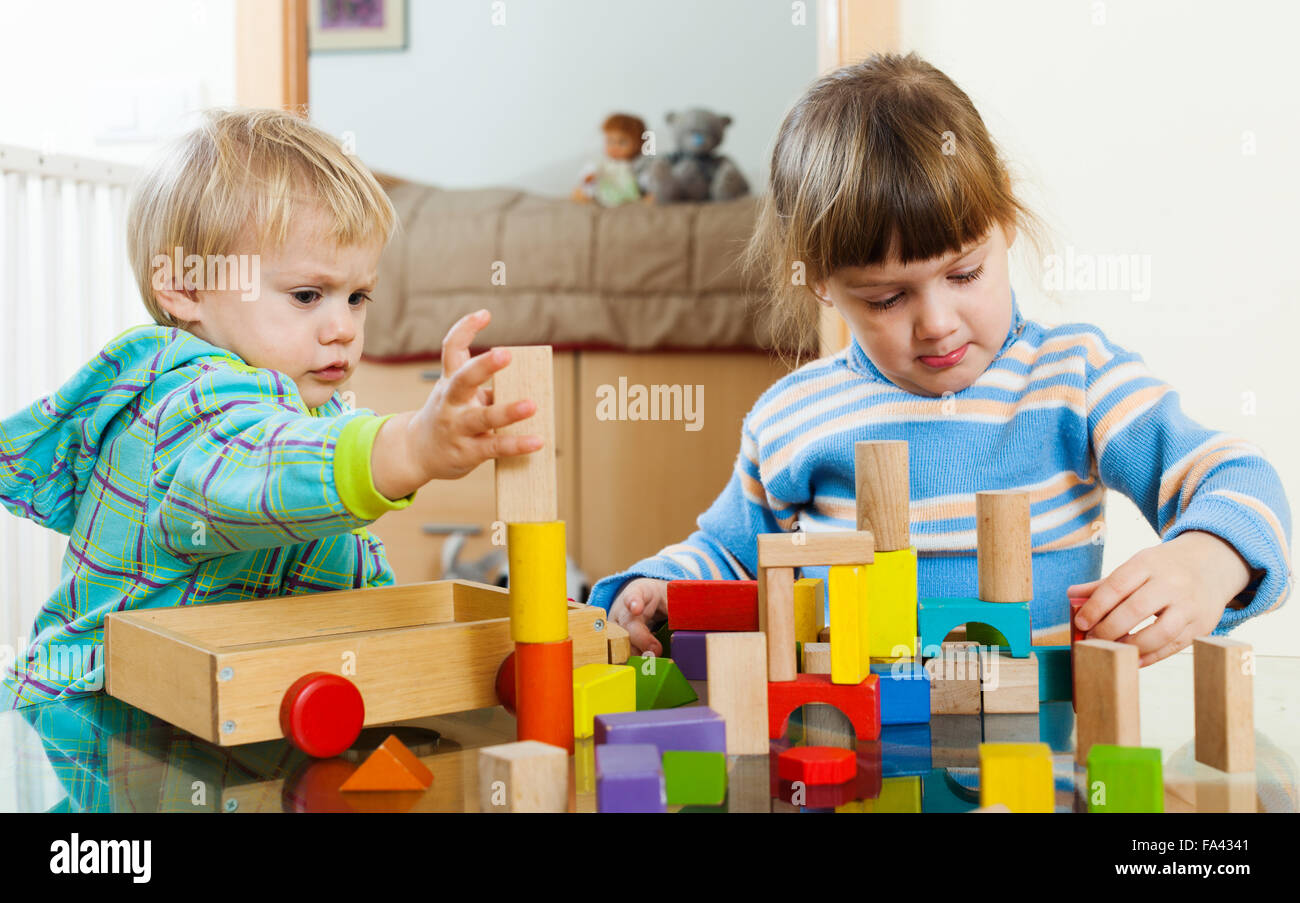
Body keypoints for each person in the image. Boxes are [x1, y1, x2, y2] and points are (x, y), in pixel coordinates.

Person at [589, 53, 1291, 667]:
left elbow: (1239, 477)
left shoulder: (1075, 378)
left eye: (964, 274)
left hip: (1035, 757)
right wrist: (657, 587)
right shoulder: (793, 417)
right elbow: (731, 554)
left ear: (1004, 221)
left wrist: (1206, 561)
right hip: (850, 754)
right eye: (887, 297)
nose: (937, 322)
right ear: (820, 286)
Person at [0, 109, 541, 707]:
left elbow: (343, 573)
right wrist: (411, 446)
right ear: (184, 287)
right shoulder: (187, 401)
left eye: (357, 296)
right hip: (103, 721)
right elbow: (257, 473)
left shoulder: (310, 411)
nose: (343, 328)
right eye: (307, 295)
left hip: (224, 705)